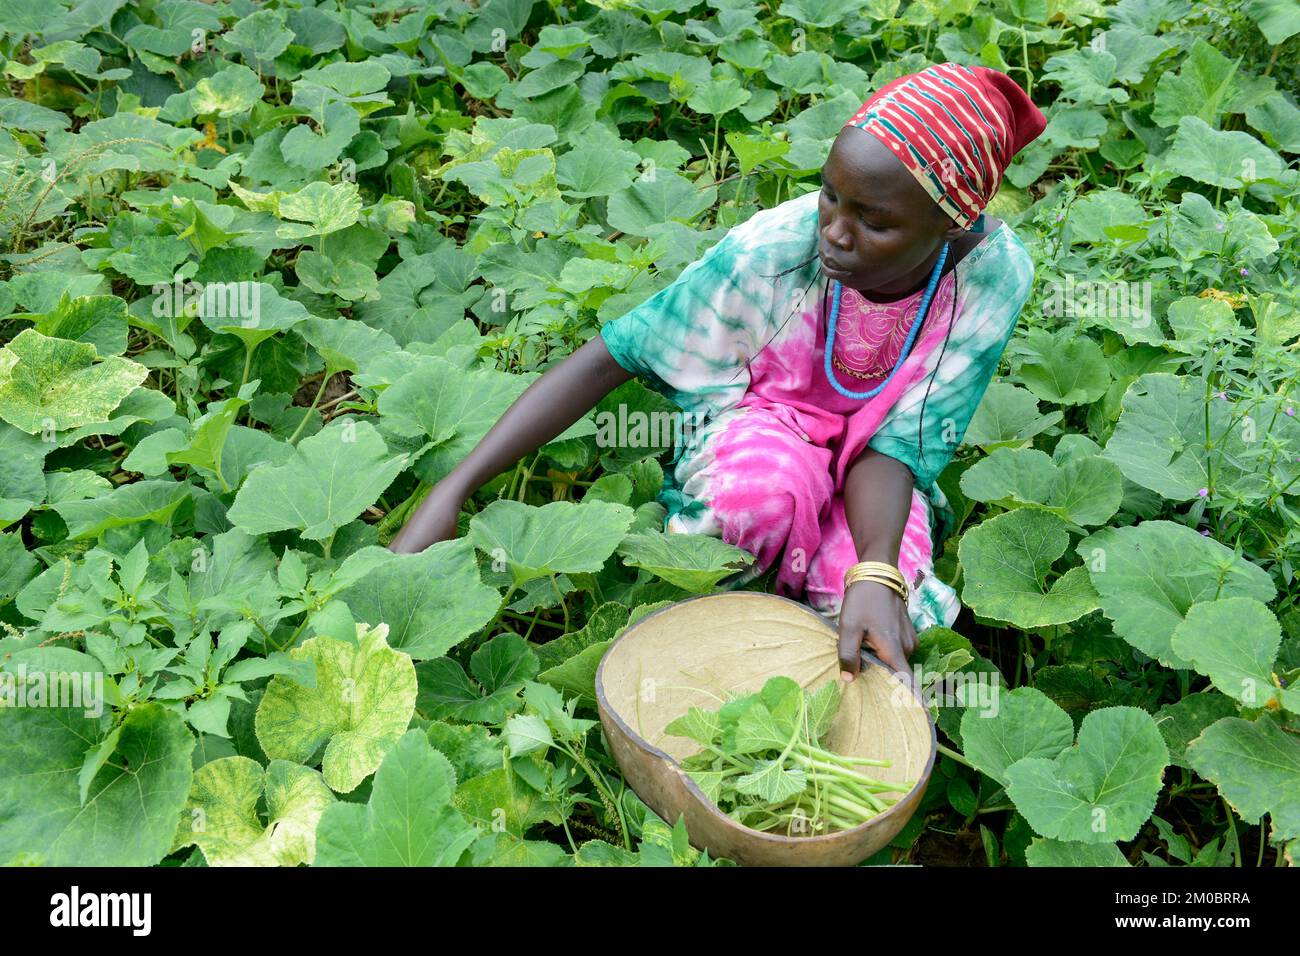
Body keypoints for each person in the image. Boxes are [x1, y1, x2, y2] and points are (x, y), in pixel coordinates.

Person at [389, 62, 1047, 686]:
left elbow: (900, 441)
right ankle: (719, 647)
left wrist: (876, 572)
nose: (836, 233)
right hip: (767, 424)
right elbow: (609, 357)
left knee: (881, 613)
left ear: (953, 221)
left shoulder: (990, 277)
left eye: (872, 221)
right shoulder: (776, 249)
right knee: (758, 500)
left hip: (881, 477)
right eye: (830, 196)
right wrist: (455, 487)